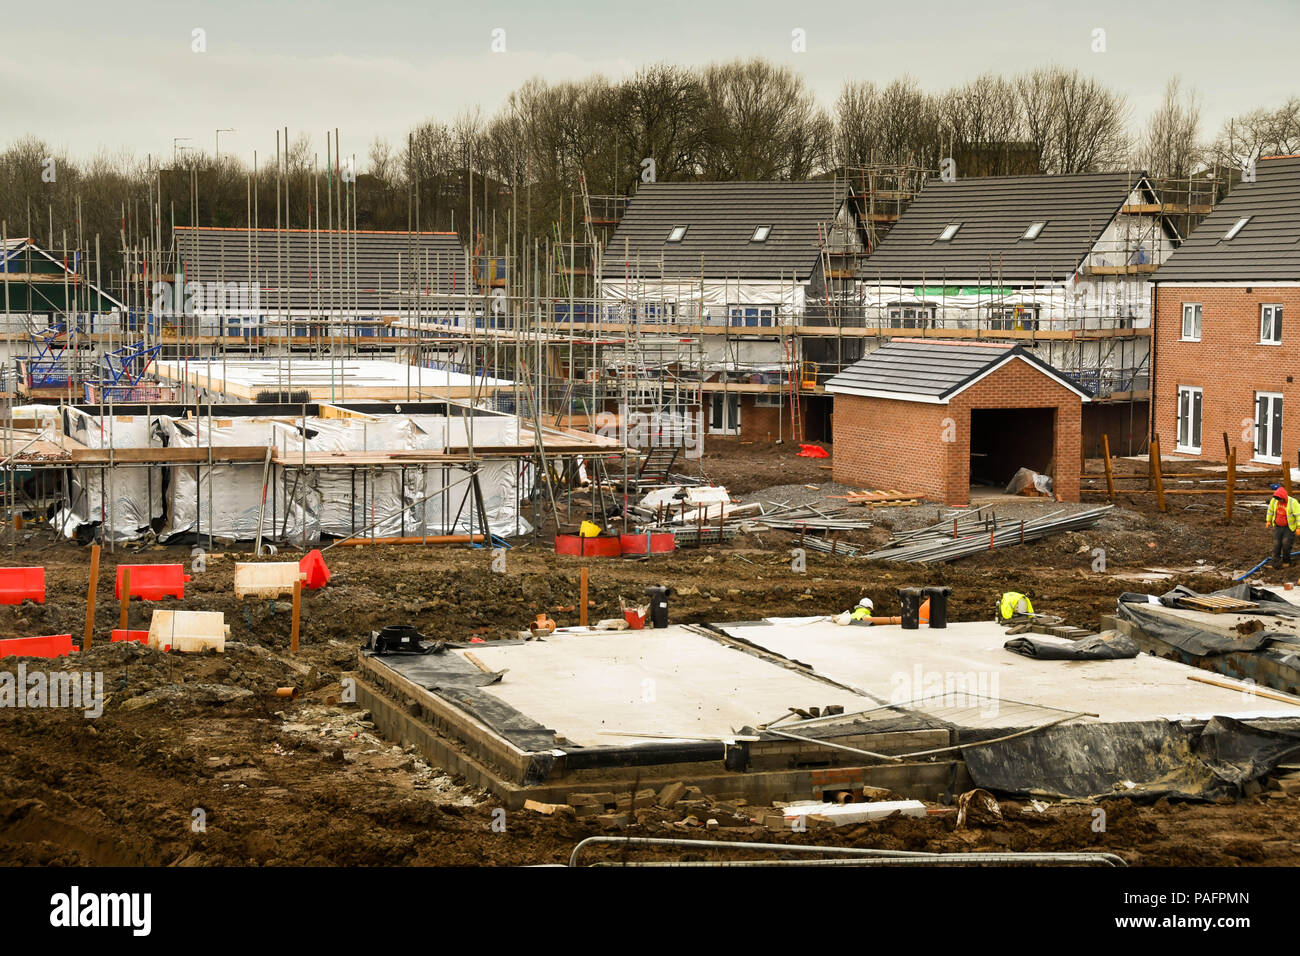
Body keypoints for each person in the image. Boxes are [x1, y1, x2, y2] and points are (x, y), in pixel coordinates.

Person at [1266, 486, 1300, 568]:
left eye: (1280, 499)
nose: (1279, 501)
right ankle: (1275, 563)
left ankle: (1286, 561)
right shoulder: (1274, 501)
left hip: (1289, 528)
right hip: (1278, 527)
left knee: (1286, 544)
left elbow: (1299, 515)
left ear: (1284, 497)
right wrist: (1268, 520)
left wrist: (1299, 527)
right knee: (1276, 544)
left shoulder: (1293, 502)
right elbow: (1270, 510)